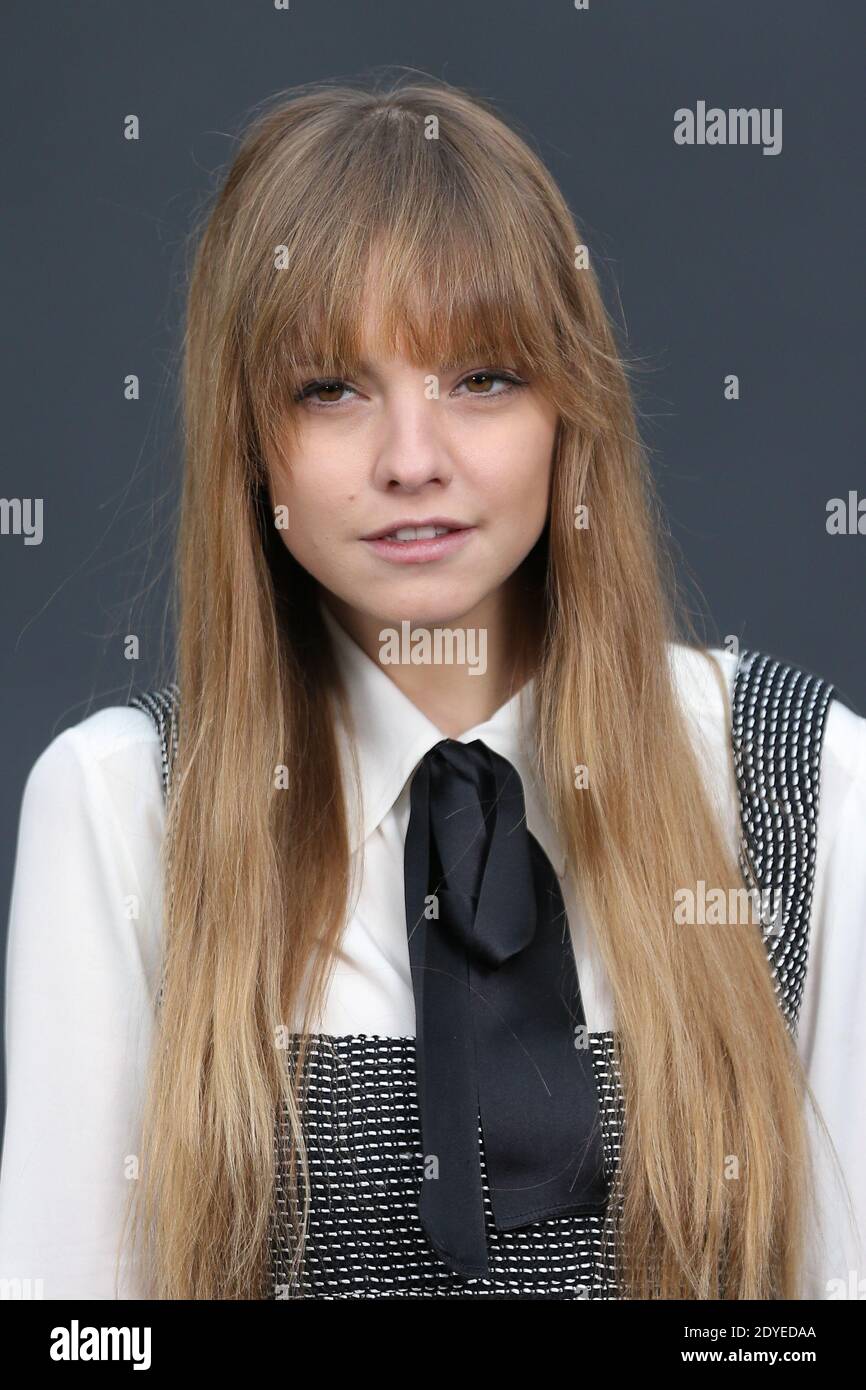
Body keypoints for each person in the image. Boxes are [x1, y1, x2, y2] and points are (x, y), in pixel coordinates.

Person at [1, 75, 864, 1301]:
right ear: (249, 442)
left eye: (481, 379)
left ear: (573, 409)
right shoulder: (121, 807)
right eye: (331, 389)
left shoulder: (798, 778)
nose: (412, 460)